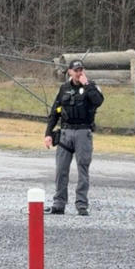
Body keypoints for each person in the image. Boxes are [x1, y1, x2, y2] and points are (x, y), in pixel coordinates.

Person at [43, 59, 104, 216]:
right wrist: (48, 134)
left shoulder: (91, 86)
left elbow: (98, 101)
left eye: (81, 70)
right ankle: (59, 203)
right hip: (66, 132)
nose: (79, 73)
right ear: (69, 71)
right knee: (61, 169)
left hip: (83, 132)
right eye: (76, 70)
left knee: (82, 168)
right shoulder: (64, 88)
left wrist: (87, 85)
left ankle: (81, 204)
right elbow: (55, 112)